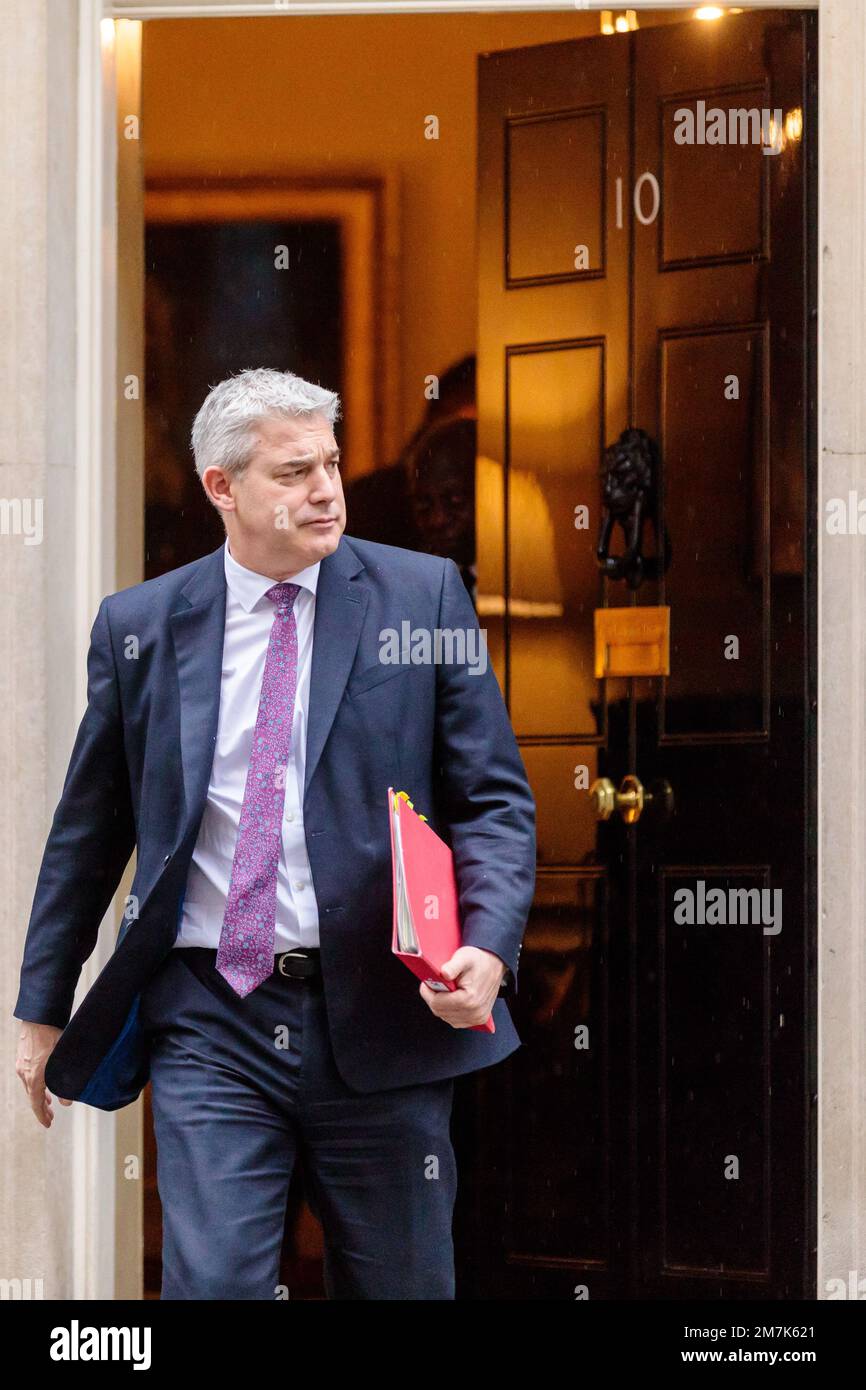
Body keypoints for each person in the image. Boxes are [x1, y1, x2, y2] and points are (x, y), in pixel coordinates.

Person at [13, 367, 536, 1300]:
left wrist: (489, 947)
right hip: (211, 1016)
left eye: (330, 464)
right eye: (294, 472)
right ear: (223, 487)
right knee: (212, 1287)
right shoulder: (142, 626)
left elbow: (493, 800)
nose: (328, 489)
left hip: (383, 1008)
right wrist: (40, 1009)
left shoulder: (423, 599)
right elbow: (90, 828)